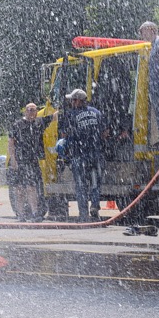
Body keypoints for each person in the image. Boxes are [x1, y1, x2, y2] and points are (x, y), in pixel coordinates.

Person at [57, 88, 104, 221]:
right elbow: (104, 133)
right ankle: (94, 205)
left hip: (79, 155)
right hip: (96, 154)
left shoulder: (71, 115)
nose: (71, 102)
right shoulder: (96, 112)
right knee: (95, 183)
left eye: (73, 100)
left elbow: (64, 135)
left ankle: (83, 213)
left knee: (81, 185)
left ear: (78, 101)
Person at [7, 103, 55, 221]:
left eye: (33, 110)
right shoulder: (17, 124)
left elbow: (54, 116)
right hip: (19, 160)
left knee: (32, 187)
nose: (31, 112)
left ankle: (34, 213)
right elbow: (11, 142)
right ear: (25, 112)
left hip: (33, 160)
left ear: (36, 111)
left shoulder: (39, 123)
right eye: (29, 110)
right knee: (19, 189)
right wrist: (13, 159)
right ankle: (20, 214)